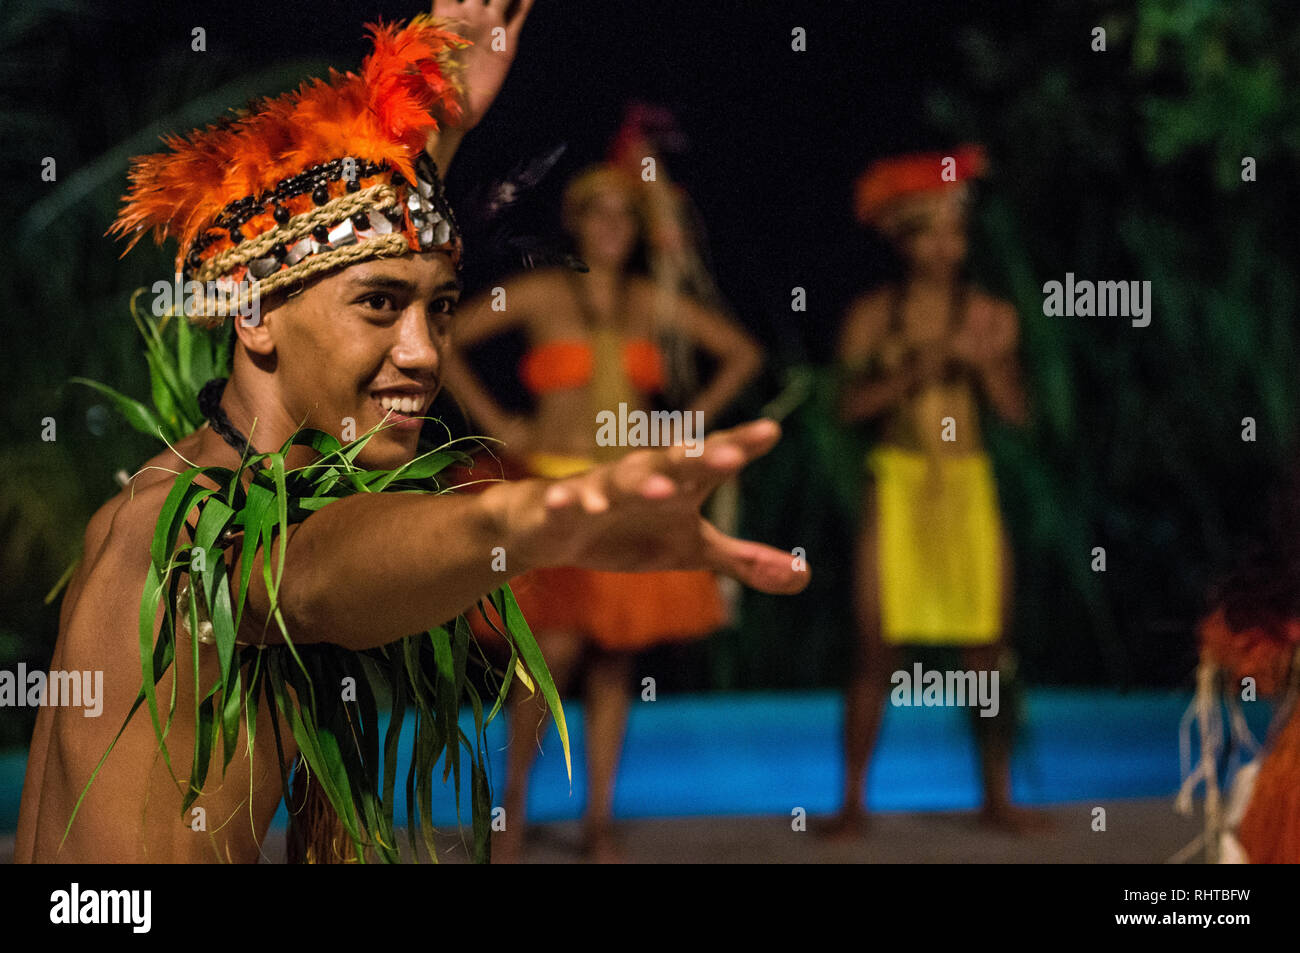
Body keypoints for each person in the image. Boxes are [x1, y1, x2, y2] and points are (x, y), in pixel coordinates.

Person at [14, 3, 805, 864]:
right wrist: (533, 520)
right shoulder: (194, 530)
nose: (425, 353)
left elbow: (351, 264)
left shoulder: (228, 471)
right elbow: (315, 573)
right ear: (252, 317)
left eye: (440, 309)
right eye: (382, 307)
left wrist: (439, 125)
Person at [444, 163, 762, 861]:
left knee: (616, 658)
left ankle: (596, 820)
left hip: (624, 492)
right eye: (598, 213)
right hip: (553, 488)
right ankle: (515, 808)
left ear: (639, 230)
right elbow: (443, 339)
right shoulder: (537, 293)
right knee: (549, 654)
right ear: (576, 222)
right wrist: (498, 422)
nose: (612, 226)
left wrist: (686, 428)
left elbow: (741, 354)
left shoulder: (652, 301)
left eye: (626, 215)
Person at [830, 145, 1040, 835]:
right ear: (904, 238)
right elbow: (848, 410)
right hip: (898, 484)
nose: (949, 244)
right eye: (933, 229)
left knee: (986, 645)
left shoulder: (991, 317)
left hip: (966, 485)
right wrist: (920, 368)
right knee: (876, 644)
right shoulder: (871, 317)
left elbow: (1018, 415)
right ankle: (853, 800)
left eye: (957, 230)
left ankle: (997, 796)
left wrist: (984, 368)